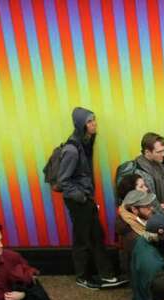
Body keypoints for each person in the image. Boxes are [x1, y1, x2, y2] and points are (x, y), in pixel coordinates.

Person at [53, 107, 119, 289]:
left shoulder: (86, 142)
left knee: (96, 235)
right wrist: (82, 197)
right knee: (83, 239)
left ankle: (106, 274)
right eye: (89, 121)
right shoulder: (72, 150)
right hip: (78, 200)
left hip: (85, 198)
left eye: (94, 120)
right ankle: (83, 276)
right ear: (81, 125)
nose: (94, 124)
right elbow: (63, 181)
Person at [125, 190, 164, 300]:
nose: (152, 208)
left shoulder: (142, 240)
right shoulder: (153, 264)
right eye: (146, 206)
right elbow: (156, 297)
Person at [125, 132, 164, 221]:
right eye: (159, 152)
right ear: (147, 152)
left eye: (163, 150)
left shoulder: (157, 165)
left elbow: (163, 194)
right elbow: (152, 203)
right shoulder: (143, 175)